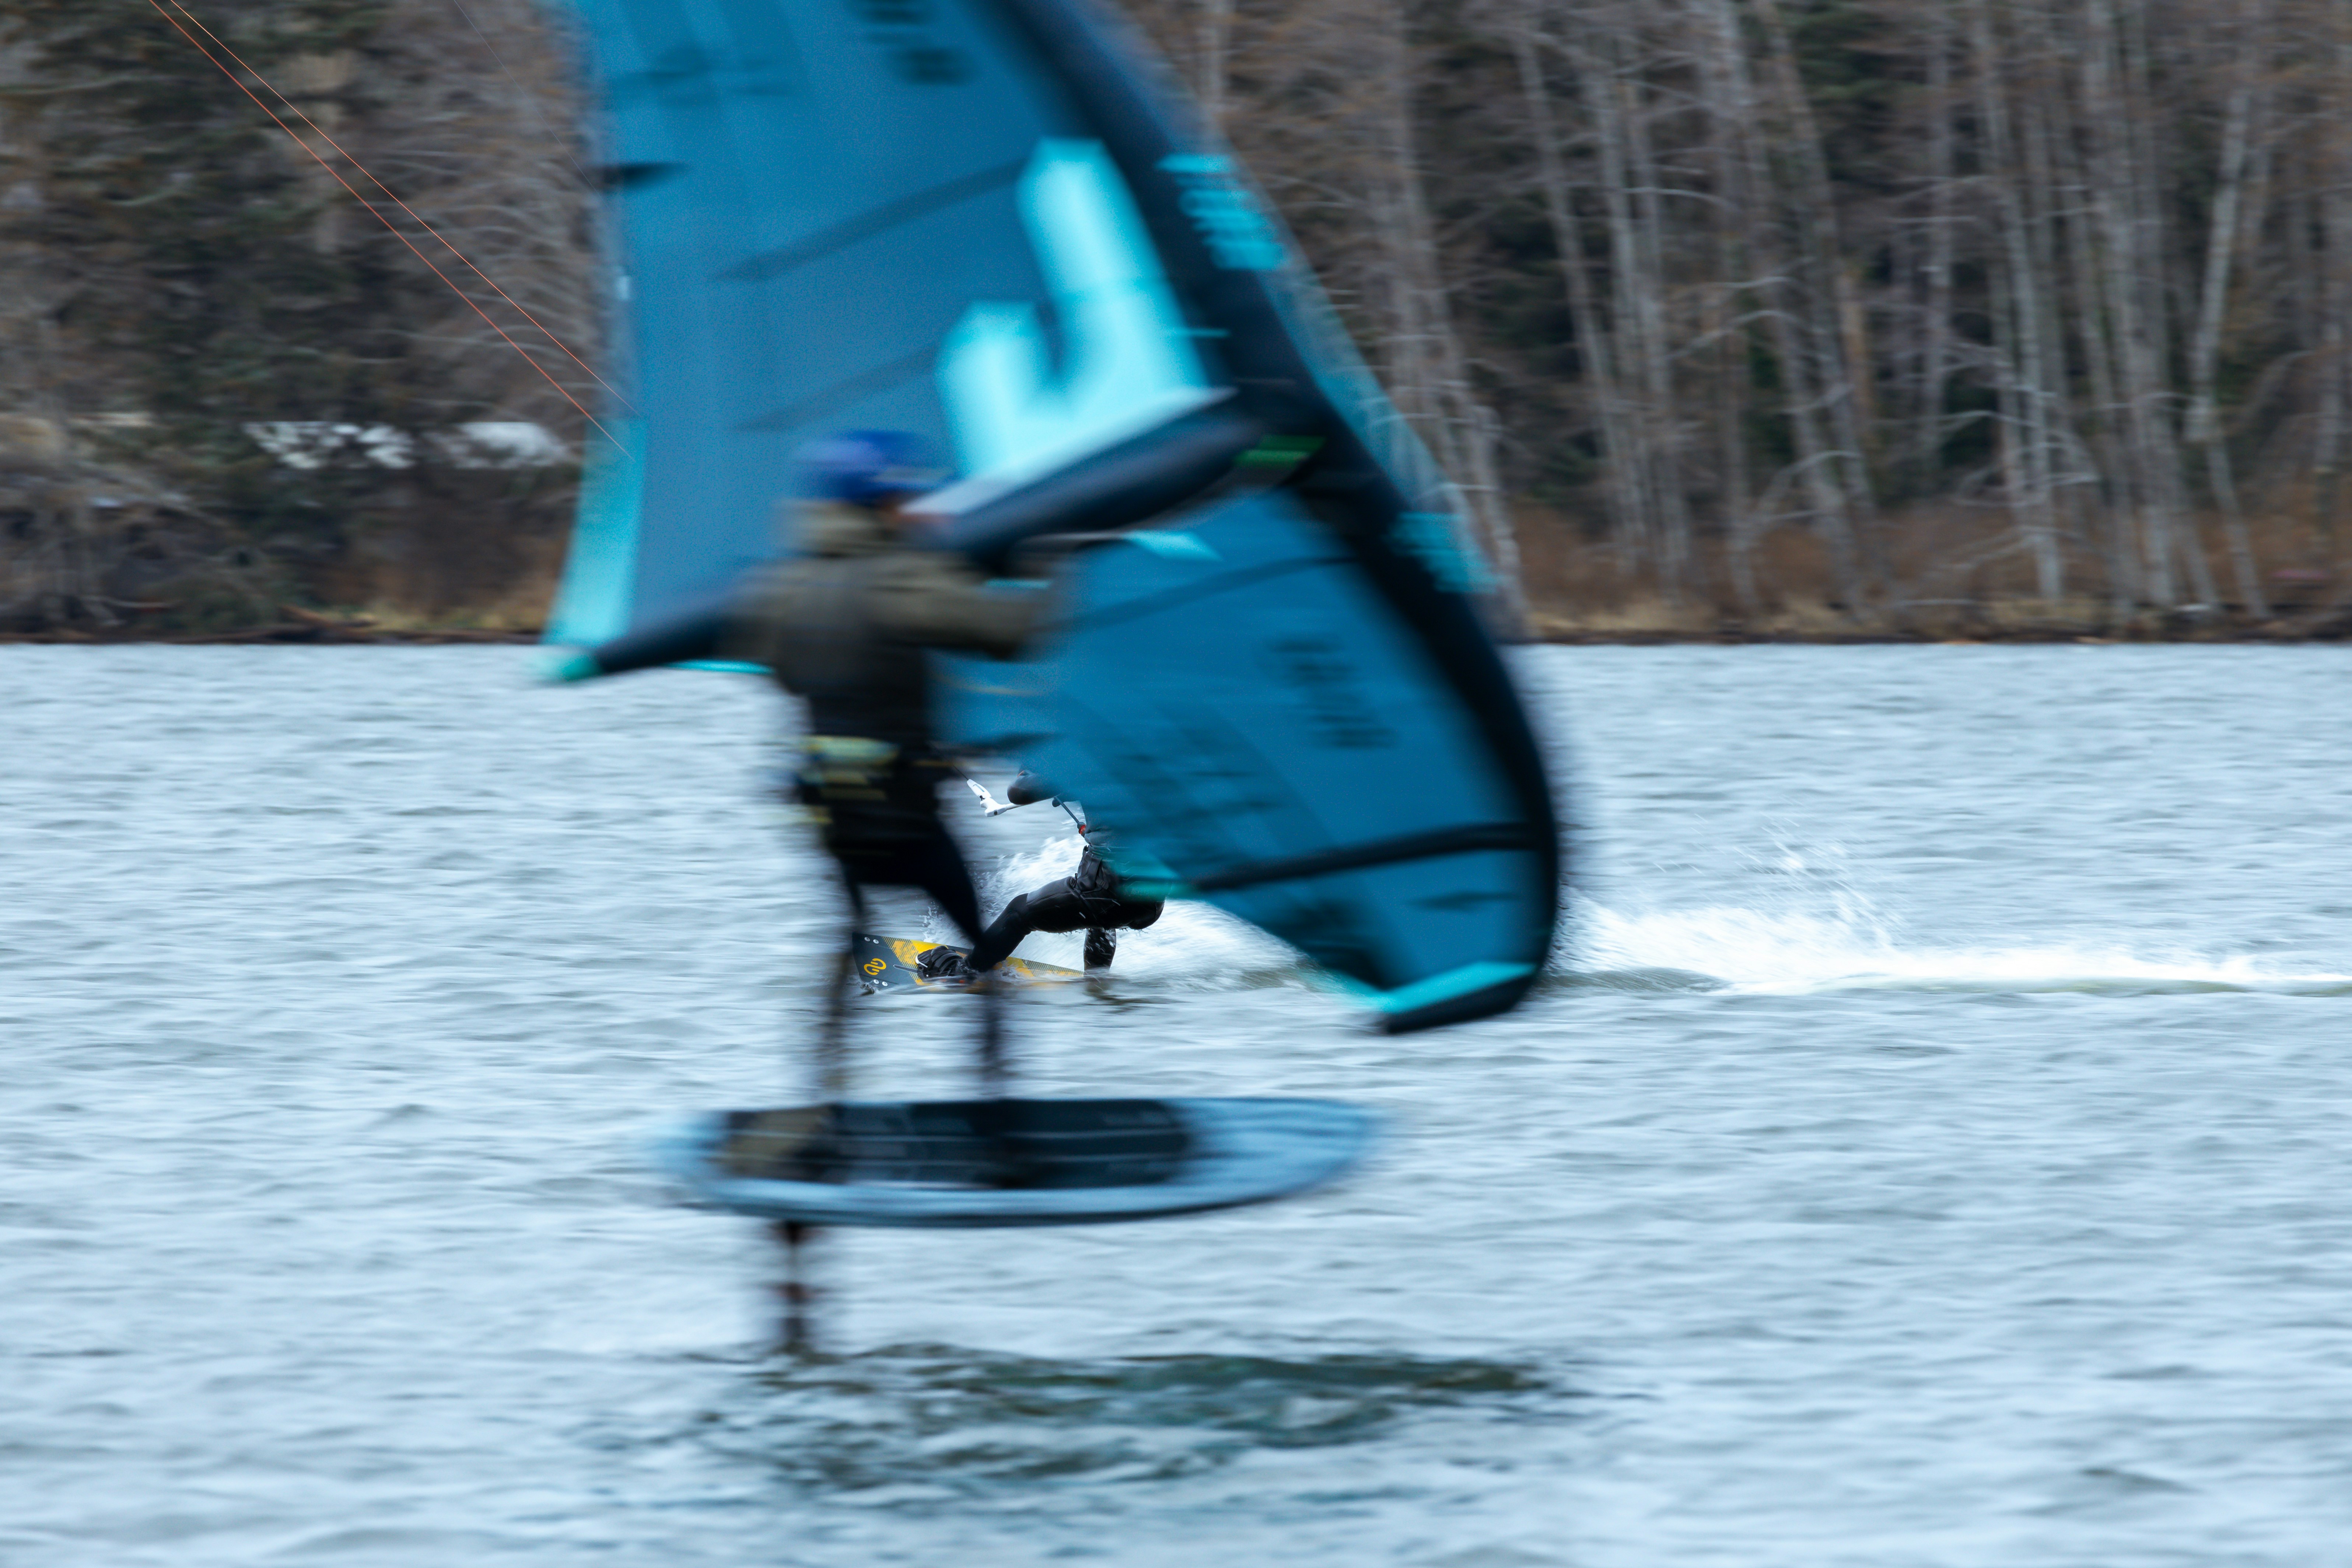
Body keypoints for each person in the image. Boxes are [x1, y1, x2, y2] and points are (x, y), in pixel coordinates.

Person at [549, 431, 1047, 1097]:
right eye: (904, 496)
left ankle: (821, 1100)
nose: (915, 509)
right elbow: (1014, 635)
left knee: (849, 942)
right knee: (982, 951)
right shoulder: (902, 577)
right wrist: (1054, 561)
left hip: (829, 818)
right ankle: (996, 1110)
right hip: (906, 818)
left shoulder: (780, 587)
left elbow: (785, 674)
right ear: (877, 504)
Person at [921, 768, 1164, 979]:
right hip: (1153, 897)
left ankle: (963, 974)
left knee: (1019, 913)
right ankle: (1096, 981)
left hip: (1111, 885)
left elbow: (1019, 792)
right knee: (1102, 915)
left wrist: (1027, 771)